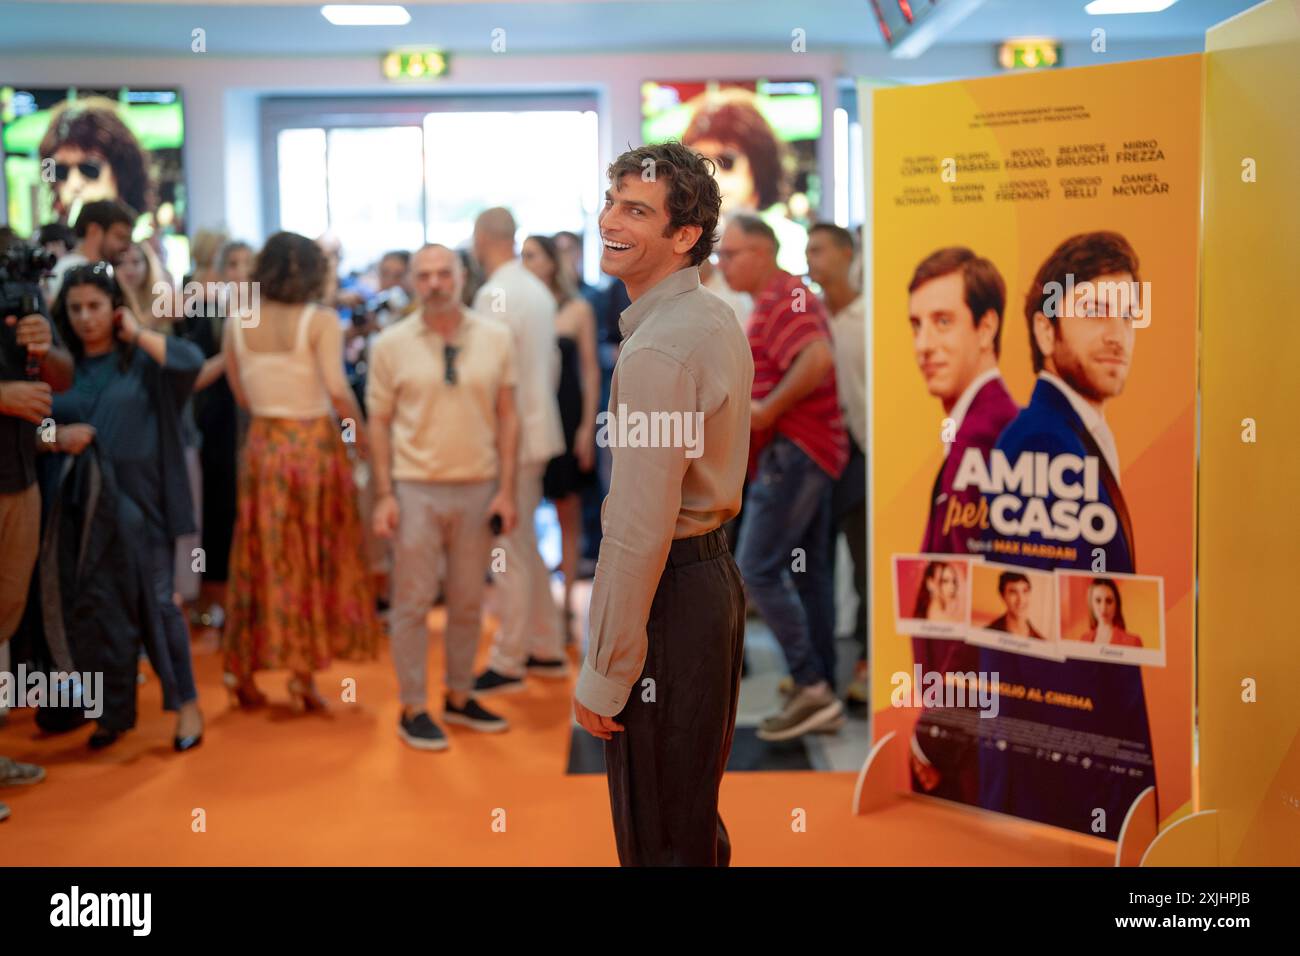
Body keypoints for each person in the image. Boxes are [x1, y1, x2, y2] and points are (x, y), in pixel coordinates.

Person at [574, 143, 752, 866]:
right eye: (612, 201)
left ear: (683, 236)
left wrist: (605, 670)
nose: (610, 219)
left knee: (661, 839)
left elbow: (639, 531)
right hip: (703, 586)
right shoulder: (707, 318)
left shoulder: (658, 353)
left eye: (636, 210)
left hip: (673, 598)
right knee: (688, 819)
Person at [978, 230, 1152, 837]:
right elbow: (1055, 649)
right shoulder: (1045, 438)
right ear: (1047, 333)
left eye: (1128, 314)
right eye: (1095, 313)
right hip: (1070, 770)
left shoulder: (1077, 432)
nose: (1117, 333)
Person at [219, 232, 380, 711]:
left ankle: (241, 671)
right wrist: (360, 436)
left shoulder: (238, 319)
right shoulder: (320, 320)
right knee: (310, 554)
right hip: (311, 445)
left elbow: (241, 393)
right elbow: (337, 389)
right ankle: (301, 677)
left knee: (259, 552)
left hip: (264, 444)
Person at [48, 261, 205, 751]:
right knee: (98, 612)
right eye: (75, 308)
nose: (84, 317)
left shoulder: (142, 360)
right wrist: (57, 437)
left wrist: (136, 332)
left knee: (158, 605)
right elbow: (30, 429)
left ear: (114, 308)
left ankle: (187, 705)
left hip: (143, 503)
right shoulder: (59, 369)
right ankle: (111, 713)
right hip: (81, 507)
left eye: (95, 305)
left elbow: (190, 362)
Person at [369, 244, 520, 750]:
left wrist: (507, 489)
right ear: (413, 281)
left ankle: (458, 694)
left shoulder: (496, 337)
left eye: (443, 274)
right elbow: (379, 421)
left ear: (461, 277)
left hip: (477, 485)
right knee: (411, 602)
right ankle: (413, 704)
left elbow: (508, 416)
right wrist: (385, 494)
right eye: (424, 275)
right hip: (415, 487)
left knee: (468, 600)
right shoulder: (391, 344)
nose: (435, 283)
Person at [718, 214, 846, 741]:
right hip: (804, 453)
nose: (722, 264)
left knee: (756, 568)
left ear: (764, 251)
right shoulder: (771, 301)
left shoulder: (787, 295)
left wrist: (768, 409)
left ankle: (813, 686)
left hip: (797, 452)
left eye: (731, 254)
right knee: (806, 572)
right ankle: (820, 686)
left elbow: (815, 358)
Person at [904, 246, 1017, 801]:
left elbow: (986, 601)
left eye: (943, 322)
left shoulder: (987, 433)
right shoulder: (978, 424)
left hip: (971, 729)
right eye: (917, 325)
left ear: (987, 326)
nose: (924, 345)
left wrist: (937, 729)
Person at [469, 208, 569, 695]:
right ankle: (545, 646)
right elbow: (547, 365)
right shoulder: (535, 289)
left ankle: (509, 658)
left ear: (481, 238)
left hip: (510, 435)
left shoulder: (496, 294)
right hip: (537, 426)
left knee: (506, 544)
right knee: (522, 541)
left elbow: (490, 377)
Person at [0, 250, 74, 821]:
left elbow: (62, 379)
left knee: (5, 617)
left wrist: (44, 346)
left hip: (20, 480)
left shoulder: (21, 291)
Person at [520, 234, 599, 638]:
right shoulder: (518, 309)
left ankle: (568, 604)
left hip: (567, 417)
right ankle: (535, 607)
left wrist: (588, 427)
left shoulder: (577, 309)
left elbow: (590, 370)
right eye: (523, 256)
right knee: (523, 513)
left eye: (532, 255)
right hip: (529, 418)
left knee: (568, 514)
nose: (526, 262)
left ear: (551, 262)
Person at [806, 222, 868, 705]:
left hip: (863, 455)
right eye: (807, 250)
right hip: (817, 453)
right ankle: (817, 674)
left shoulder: (871, 317)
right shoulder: (807, 314)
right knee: (812, 562)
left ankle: (868, 665)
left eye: (820, 249)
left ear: (848, 254)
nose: (811, 258)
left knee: (865, 561)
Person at [682, 89, 809, 275]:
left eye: (726, 162)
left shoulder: (792, 241)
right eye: (700, 162)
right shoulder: (686, 238)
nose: (711, 174)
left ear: (759, 165)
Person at [38, 98, 151, 224]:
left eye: (89, 169)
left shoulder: (147, 241)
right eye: (61, 172)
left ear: (122, 175)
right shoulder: (53, 240)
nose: (74, 184)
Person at [43, 199, 136, 302]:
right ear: (94, 230)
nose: (127, 247)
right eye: (120, 237)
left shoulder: (101, 271)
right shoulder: (70, 269)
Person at [1077, 578, 1141, 647]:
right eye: (1098, 601)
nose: (1103, 608)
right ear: (1091, 604)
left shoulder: (1133, 642)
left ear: (1116, 605)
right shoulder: (1083, 640)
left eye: (1109, 601)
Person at [987, 571, 1043, 638]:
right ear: (1003, 596)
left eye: (1025, 591)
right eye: (1013, 592)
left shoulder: (1040, 640)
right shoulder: (988, 633)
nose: (1021, 600)